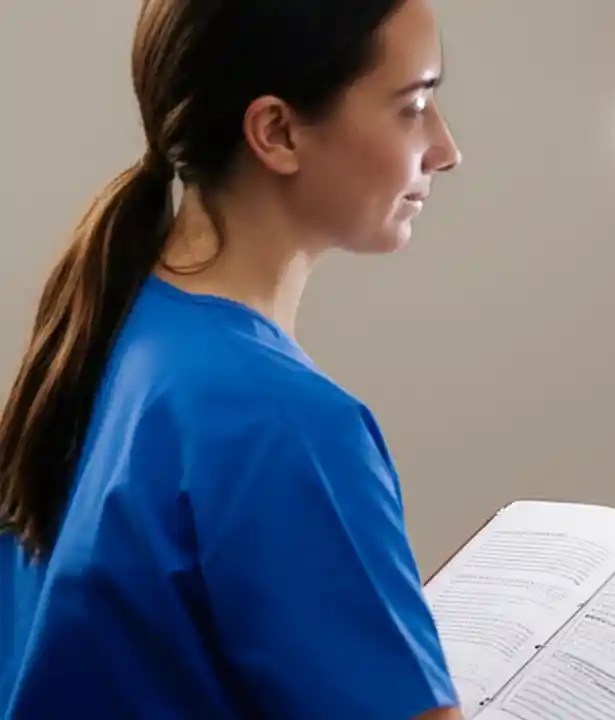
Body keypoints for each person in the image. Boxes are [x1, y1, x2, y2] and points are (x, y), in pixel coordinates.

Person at [0, 0, 463, 717]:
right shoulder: (282, 421)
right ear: (277, 132)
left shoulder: (106, 338)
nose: (445, 148)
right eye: (414, 105)